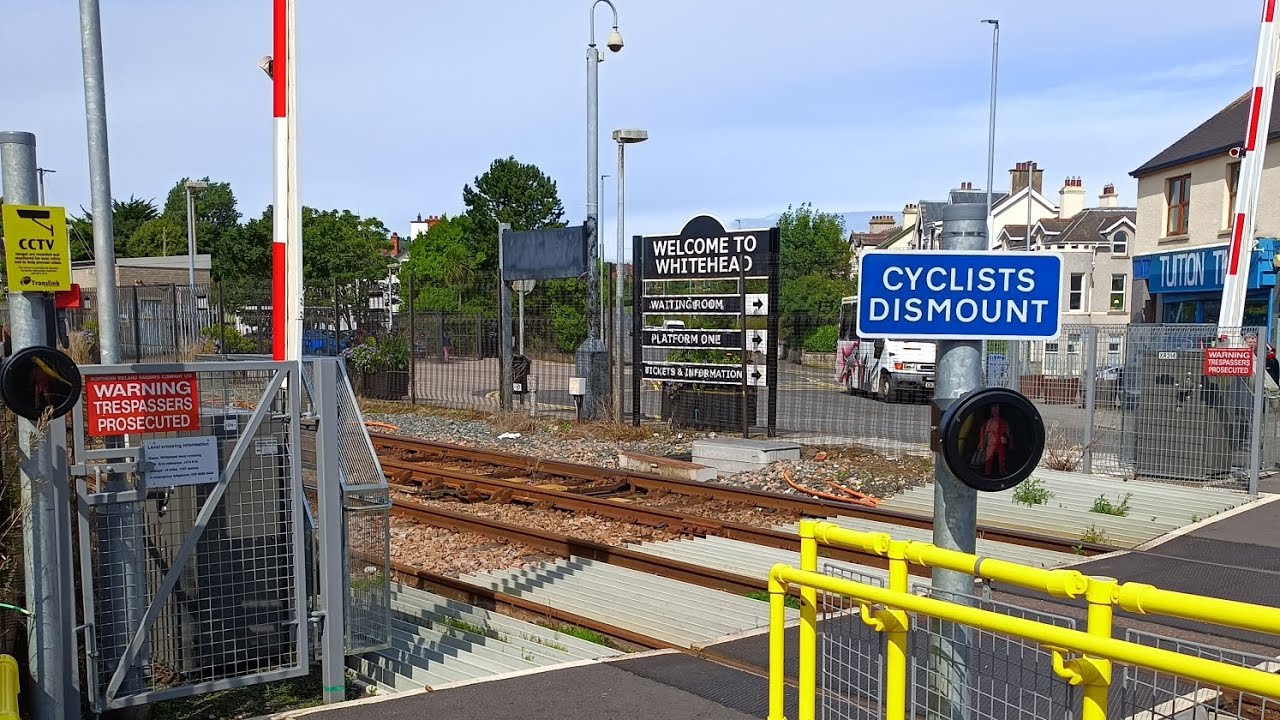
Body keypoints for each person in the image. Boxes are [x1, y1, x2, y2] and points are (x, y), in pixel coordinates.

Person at [978, 404, 1010, 476]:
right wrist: (982, 445)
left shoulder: (1003, 421)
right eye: (994, 409)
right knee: (989, 459)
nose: (995, 410)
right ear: (991, 410)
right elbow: (984, 433)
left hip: (1000, 442)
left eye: (997, 408)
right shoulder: (989, 422)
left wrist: (1009, 441)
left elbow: (1008, 433)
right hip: (991, 442)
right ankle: (987, 472)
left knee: (1002, 458)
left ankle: (1002, 471)